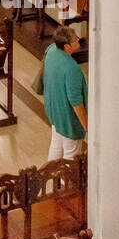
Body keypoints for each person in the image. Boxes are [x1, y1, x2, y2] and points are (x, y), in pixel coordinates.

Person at [41, 26, 88, 161]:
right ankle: (64, 182)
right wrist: (86, 126)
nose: (78, 40)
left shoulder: (51, 51)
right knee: (71, 153)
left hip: (53, 110)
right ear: (67, 46)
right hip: (68, 119)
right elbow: (75, 101)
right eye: (75, 40)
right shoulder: (72, 68)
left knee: (56, 145)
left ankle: (51, 176)